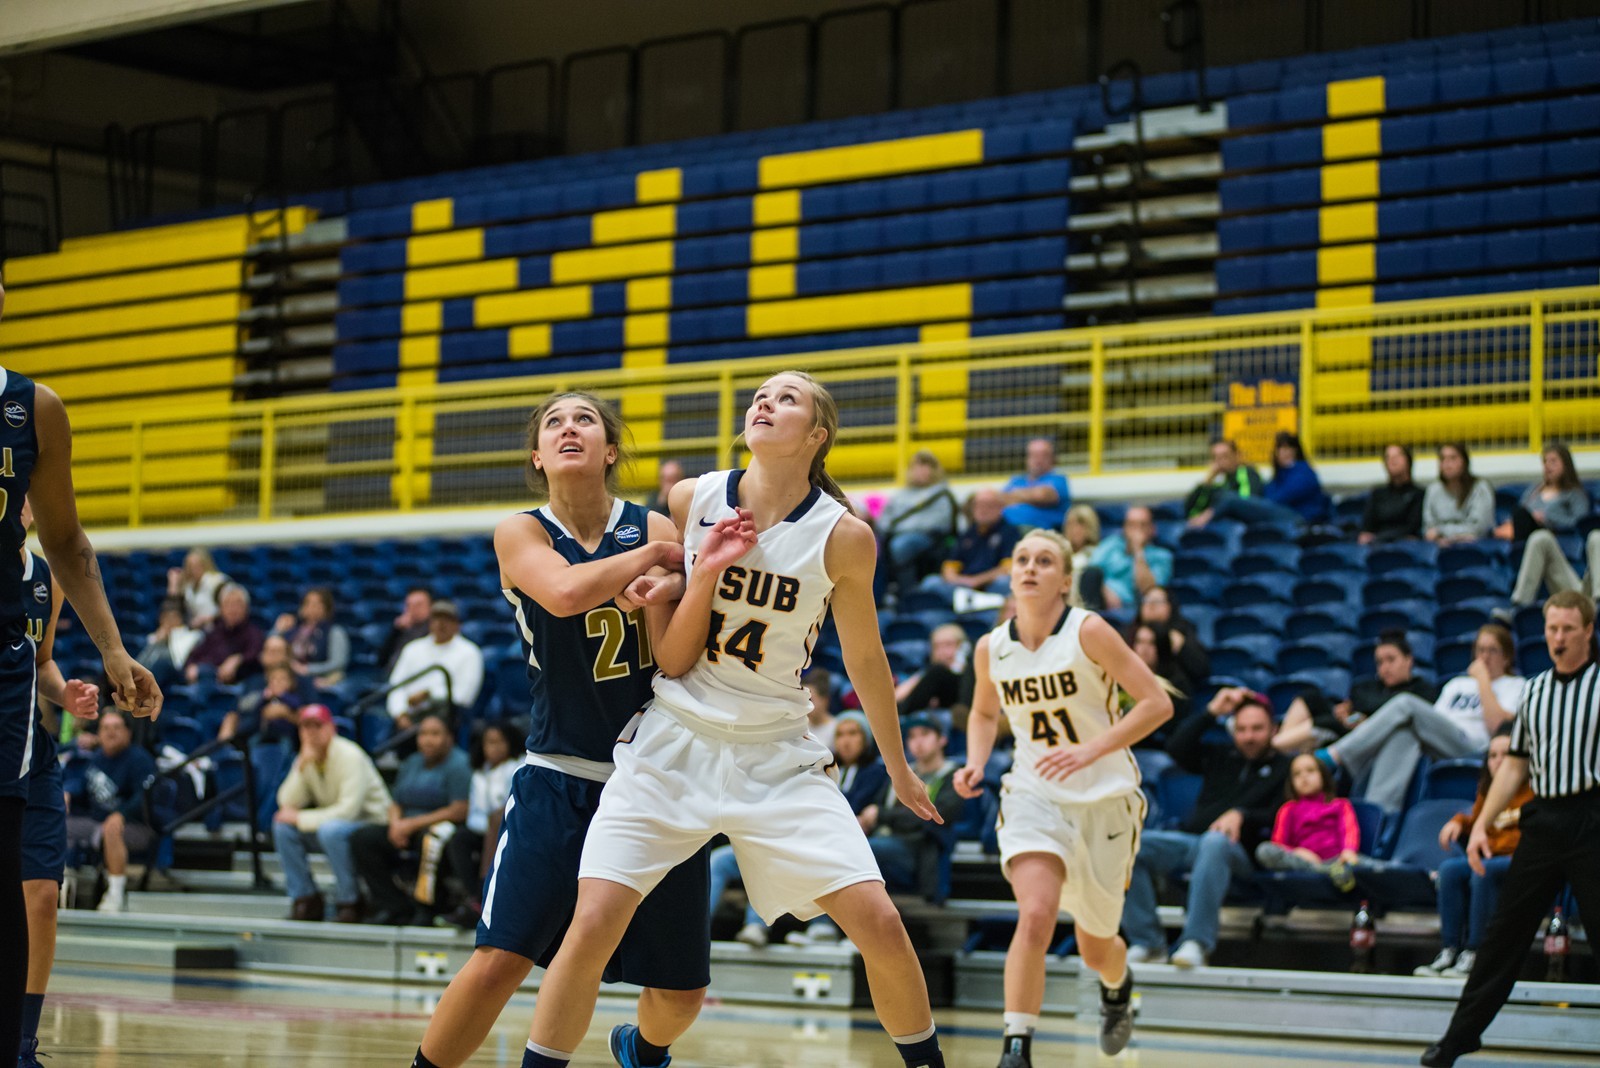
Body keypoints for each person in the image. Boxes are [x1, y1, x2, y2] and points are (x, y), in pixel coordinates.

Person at [524, 371, 949, 1068]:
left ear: (816, 436)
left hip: (776, 752)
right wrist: (687, 582)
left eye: (786, 398)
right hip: (675, 741)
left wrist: (897, 768)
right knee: (593, 921)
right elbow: (674, 654)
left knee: (879, 921)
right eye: (759, 394)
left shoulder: (843, 537)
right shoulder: (692, 498)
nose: (763, 401)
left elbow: (869, 661)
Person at [409, 390, 709, 1068]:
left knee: (681, 994)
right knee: (497, 963)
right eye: (553, 422)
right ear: (538, 458)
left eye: (585, 420)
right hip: (560, 777)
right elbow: (567, 594)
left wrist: (675, 558)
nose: (568, 428)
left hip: (658, 784)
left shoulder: (658, 526)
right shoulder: (522, 532)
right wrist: (652, 561)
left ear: (610, 451)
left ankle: (641, 1048)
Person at [955, 528, 1174, 1063]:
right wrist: (977, 762)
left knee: (1097, 947)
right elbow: (984, 713)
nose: (1030, 568)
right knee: (1036, 914)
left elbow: (1155, 704)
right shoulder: (991, 647)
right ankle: (1016, 1047)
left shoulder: (1089, 631)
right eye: (1022, 559)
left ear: (1065, 581)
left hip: (1106, 799)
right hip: (1034, 792)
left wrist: (1090, 750)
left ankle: (1118, 989)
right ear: (1010, 574)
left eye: (1045, 561)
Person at [0, 343, 163, 1059]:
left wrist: (106, 657)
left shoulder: (33, 408)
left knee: (27, 885)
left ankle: (19, 1042)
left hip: (16, 695)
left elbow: (69, 545)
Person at [1422, 590, 1600, 1067]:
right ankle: (1458, 1038)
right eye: (1551, 629)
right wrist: (1480, 823)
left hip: (1593, 819)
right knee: (1503, 936)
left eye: (1567, 629)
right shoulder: (1535, 690)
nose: (1558, 638)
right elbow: (1514, 766)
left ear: (1588, 631)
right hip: (1544, 820)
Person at [17, 501, 101, 1068]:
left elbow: (41, 662)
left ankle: (23, 1042)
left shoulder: (48, 575)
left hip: (30, 749)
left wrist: (64, 693)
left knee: (43, 895)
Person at [1122, 689, 1289, 969]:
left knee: (1215, 842)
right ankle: (1147, 943)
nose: (1249, 736)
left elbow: (1285, 814)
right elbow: (1176, 747)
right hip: (1192, 843)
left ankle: (1196, 942)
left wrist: (1243, 815)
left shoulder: (1286, 767)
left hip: (1242, 854)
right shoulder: (1220, 755)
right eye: (1243, 729)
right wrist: (1212, 712)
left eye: (1257, 729)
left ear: (1274, 729)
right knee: (1129, 844)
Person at [715, 709, 888, 949]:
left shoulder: (877, 773)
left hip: (842, 840)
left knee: (820, 852)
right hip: (801, 832)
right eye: (840, 734)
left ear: (866, 738)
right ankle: (740, 927)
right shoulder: (821, 765)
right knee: (724, 859)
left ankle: (822, 926)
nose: (846, 740)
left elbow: (861, 811)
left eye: (853, 733)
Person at [1314, 625, 1523, 814]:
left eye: (1492, 650)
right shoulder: (1457, 684)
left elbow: (1498, 727)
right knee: (1404, 734)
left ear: (1506, 657)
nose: (1484, 657)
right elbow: (1434, 721)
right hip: (1441, 741)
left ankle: (1335, 754)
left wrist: (1484, 680)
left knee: (1406, 702)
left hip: (1475, 746)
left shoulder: (1516, 685)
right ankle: (1380, 814)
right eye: (1480, 650)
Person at [1414, 726, 1531, 980]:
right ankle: (1450, 950)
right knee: (1450, 870)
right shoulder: (1488, 791)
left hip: (1522, 860)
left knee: (1482, 869)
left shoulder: (1534, 790)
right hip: (1492, 857)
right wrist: (1459, 822)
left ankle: (1476, 952)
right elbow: (1478, 821)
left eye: (1506, 754)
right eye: (1492, 755)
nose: (1498, 761)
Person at [271, 703, 391, 923]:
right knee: (283, 828)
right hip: (336, 825)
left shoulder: (350, 755)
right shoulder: (307, 757)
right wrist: (301, 765)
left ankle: (350, 901)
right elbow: (286, 802)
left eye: (317, 726)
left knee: (330, 831)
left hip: (371, 824)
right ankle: (306, 899)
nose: (311, 732)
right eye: (305, 727)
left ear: (331, 728)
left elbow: (348, 810)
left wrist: (300, 818)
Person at [349, 712, 470, 926]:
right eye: (423, 734)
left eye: (435, 734)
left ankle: (427, 907)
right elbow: (396, 802)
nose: (427, 739)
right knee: (363, 838)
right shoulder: (412, 762)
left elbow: (459, 810)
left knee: (430, 839)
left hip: (440, 827)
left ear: (449, 738)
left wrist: (412, 824)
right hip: (406, 827)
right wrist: (396, 825)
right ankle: (393, 905)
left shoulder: (459, 764)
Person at [1274, 630, 1440, 754]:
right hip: (1348, 730)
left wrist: (1363, 716)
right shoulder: (1367, 685)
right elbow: (1358, 702)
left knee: (1328, 723)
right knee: (1310, 697)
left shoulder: (1423, 689)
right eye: (1379, 662)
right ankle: (1278, 750)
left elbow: (1392, 709)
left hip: (1377, 740)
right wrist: (1348, 714)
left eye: (1391, 660)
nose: (1385, 668)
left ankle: (1273, 748)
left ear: (1408, 659)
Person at [66, 710, 157, 914]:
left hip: (137, 826)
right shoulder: (96, 758)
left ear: (128, 733)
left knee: (112, 827)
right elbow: (81, 787)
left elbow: (144, 796)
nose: (110, 733)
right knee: (55, 820)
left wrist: (121, 814)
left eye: (116, 728)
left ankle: (115, 894)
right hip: (96, 821)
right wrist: (67, 794)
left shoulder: (140, 759)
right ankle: (59, 886)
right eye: (105, 728)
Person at [439, 723, 517, 929]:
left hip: (510, 829)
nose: (493, 748)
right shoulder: (479, 773)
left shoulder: (519, 768)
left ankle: (485, 899)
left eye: (499, 742)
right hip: (483, 830)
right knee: (459, 839)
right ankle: (475, 898)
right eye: (488, 743)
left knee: (495, 824)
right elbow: (474, 814)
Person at [1254, 754, 1365, 891]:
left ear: (1324, 775)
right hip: (1304, 863)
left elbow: (1349, 831)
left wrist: (1349, 851)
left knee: (1371, 865)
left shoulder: (1340, 804)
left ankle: (1333, 870)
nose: (1304, 777)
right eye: (1297, 774)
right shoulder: (1288, 809)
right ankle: (1324, 871)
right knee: (1264, 850)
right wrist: (1297, 852)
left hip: (1339, 860)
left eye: (1310, 770)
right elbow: (1279, 844)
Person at [385, 601, 483, 730]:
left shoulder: (470, 652)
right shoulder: (412, 648)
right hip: (408, 716)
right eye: (436, 619)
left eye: (447, 619)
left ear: (457, 624)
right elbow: (395, 685)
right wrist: (400, 713)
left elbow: (464, 696)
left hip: (445, 719)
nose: (440, 624)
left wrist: (429, 694)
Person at [877, 450, 958, 601]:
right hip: (896, 535)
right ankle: (881, 593)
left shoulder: (941, 493)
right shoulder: (901, 494)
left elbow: (940, 522)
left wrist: (901, 528)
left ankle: (908, 593)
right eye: (917, 466)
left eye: (926, 465)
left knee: (901, 545)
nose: (921, 470)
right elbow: (884, 519)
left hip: (928, 538)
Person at [922, 487, 1020, 603]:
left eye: (988, 505)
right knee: (930, 582)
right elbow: (950, 566)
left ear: (1000, 508)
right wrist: (959, 580)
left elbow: (1008, 568)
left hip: (989, 587)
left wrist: (977, 581)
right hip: (963, 586)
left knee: (1004, 582)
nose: (982, 510)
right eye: (978, 505)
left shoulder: (1010, 532)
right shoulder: (967, 533)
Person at [1081, 505, 1173, 610]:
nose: (1136, 530)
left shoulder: (1162, 556)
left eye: (1142, 525)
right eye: (1131, 524)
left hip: (1135, 607)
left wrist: (1138, 550)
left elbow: (1148, 591)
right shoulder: (1111, 544)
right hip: (1101, 600)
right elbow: (1090, 574)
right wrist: (1105, 591)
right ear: (1124, 527)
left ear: (1152, 529)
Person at [1495, 442, 1590, 543]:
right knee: (1518, 514)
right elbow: (1521, 511)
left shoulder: (1574, 493)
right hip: (1527, 532)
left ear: (1566, 464)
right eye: (1545, 462)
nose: (1548, 466)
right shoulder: (1534, 490)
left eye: (1553, 461)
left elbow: (1580, 523)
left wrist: (1547, 517)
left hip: (1552, 536)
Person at [183, 583, 264, 685]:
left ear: (246, 608)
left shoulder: (254, 633)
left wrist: (238, 659)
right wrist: (191, 666)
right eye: (228, 605)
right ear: (221, 609)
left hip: (236, 682)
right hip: (206, 676)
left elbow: (255, 654)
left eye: (237, 605)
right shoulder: (214, 632)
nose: (232, 609)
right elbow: (194, 655)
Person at [272, 587, 350, 685]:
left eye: (316, 604)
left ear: (326, 608)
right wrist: (278, 630)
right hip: (288, 678)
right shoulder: (293, 629)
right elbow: (271, 650)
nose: (311, 607)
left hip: (318, 678)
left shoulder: (335, 632)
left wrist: (308, 669)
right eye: (307, 603)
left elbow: (338, 663)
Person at [1136, 586, 1209, 689]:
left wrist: (1182, 648)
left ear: (1170, 606)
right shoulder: (1130, 632)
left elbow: (1202, 669)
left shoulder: (1182, 632)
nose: (1151, 605)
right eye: (1146, 600)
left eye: (1157, 601)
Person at [1423, 442, 1494, 544]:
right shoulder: (1433, 490)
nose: (1447, 463)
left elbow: (1479, 529)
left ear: (1464, 462)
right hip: (1440, 546)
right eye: (1443, 459)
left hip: (1475, 546)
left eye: (1453, 458)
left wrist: (1442, 532)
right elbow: (1428, 529)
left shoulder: (1480, 488)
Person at [1184, 438, 1265, 526]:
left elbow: (1245, 504)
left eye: (1225, 456)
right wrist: (1208, 479)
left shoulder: (1248, 473)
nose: (1220, 462)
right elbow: (1191, 510)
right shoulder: (1221, 483)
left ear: (1237, 455)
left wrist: (1208, 516)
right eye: (1216, 458)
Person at [895, 623, 969, 719]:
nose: (942, 651)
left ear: (963, 646)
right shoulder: (930, 672)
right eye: (937, 647)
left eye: (948, 645)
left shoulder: (970, 670)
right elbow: (896, 697)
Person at [1360, 443, 1425, 544]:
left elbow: (1413, 528)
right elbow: (1367, 527)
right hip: (1378, 545)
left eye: (1397, 456)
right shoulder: (1377, 494)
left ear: (1408, 460)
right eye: (1388, 457)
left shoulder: (1419, 494)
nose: (1392, 460)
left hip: (1407, 546)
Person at [1001, 437, 1071, 532]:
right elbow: (1001, 499)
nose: (1038, 460)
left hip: (1040, 532)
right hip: (1006, 530)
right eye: (1034, 455)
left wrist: (1016, 495)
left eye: (1044, 456)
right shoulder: (1017, 480)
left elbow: (1042, 495)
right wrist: (1031, 497)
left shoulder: (1059, 479)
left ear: (1053, 459)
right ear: (1027, 458)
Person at [135, 597, 203, 692]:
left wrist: (170, 637)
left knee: (162, 662)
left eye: (172, 617)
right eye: (165, 617)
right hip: (155, 672)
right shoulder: (155, 635)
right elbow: (143, 660)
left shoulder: (191, 636)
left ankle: (137, 697)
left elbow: (178, 660)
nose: (168, 621)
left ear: (180, 618)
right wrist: (157, 642)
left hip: (177, 672)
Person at [166, 547, 230, 628]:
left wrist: (208, 619)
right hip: (196, 630)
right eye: (189, 566)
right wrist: (173, 588)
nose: (193, 570)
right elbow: (174, 613)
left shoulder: (217, 582)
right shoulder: (187, 587)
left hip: (217, 627)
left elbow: (231, 607)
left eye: (197, 566)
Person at [380, 587, 433, 672]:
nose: (413, 609)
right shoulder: (400, 629)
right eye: (409, 605)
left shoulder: (435, 630)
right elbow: (382, 660)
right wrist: (396, 631)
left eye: (418, 605)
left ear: (430, 606)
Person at [1062, 503, 1100, 606]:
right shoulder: (1060, 554)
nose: (1075, 529)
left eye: (1081, 524)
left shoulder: (1099, 554)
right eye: (1071, 524)